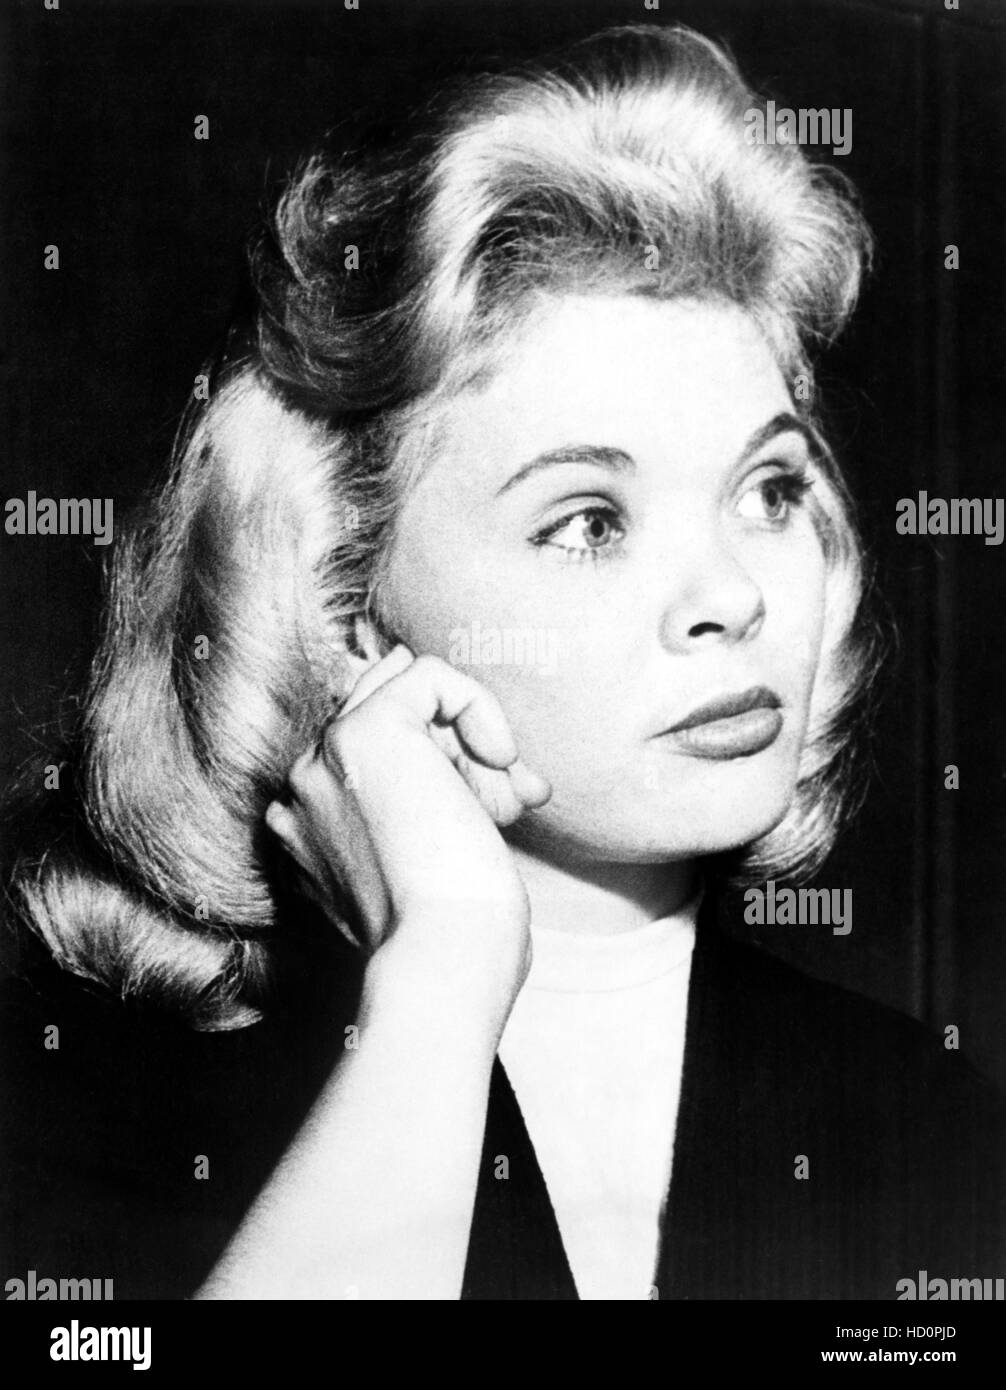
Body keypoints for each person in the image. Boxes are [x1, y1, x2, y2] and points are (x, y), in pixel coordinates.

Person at [1, 23, 1002, 1302]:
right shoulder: (86, 1095)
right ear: (343, 603)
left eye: (766, 489)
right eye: (587, 521)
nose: (733, 599)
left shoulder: (922, 1111)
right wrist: (441, 976)